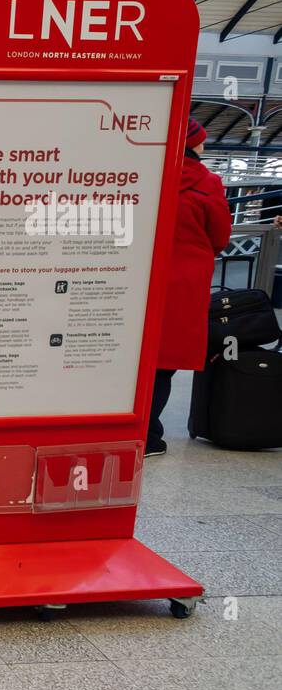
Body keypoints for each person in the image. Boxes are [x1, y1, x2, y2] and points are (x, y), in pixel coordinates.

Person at [147, 117, 231, 457]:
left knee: (133, 360)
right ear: (192, 145)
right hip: (184, 284)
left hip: (141, 278)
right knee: (163, 364)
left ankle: (125, 429)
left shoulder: (147, 173)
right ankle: (149, 436)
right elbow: (221, 237)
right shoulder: (208, 184)